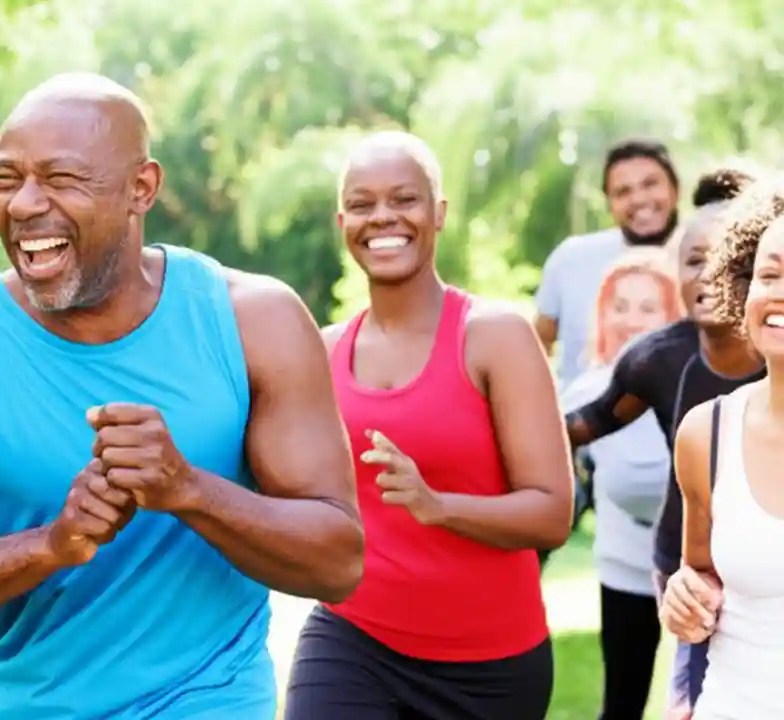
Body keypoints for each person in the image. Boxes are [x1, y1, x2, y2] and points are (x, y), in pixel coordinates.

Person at [0, 72, 364, 720]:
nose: (26, 204)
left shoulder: (255, 321)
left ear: (140, 189)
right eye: (7, 180)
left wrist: (189, 491)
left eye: (61, 179)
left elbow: (337, 561)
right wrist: (50, 546)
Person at [281, 131, 571, 720]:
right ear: (343, 221)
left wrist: (438, 506)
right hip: (353, 636)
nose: (382, 216)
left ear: (438, 212)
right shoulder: (324, 351)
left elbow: (551, 513)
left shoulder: (495, 337)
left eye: (404, 199)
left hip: (488, 668)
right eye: (362, 204)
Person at [563, 166, 764, 717]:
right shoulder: (656, 359)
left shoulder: (778, 354)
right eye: (696, 260)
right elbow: (588, 423)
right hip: (686, 561)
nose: (710, 275)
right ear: (676, 271)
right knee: (695, 699)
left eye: (730, 262)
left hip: (765, 554)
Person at [660, 176, 784, 719]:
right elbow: (702, 579)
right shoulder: (705, 434)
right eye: (770, 274)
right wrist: (685, 599)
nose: (780, 293)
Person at [560, 248, 683, 720]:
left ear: (674, 315)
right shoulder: (588, 393)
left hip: (697, 568)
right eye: (621, 305)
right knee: (624, 702)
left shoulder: (696, 383)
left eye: (648, 308)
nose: (632, 320)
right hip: (624, 564)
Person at [535, 138, 681, 389]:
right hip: (581, 422)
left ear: (675, 190)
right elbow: (536, 345)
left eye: (650, 184)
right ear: (609, 204)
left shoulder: (707, 259)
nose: (638, 198)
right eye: (623, 192)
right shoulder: (571, 259)